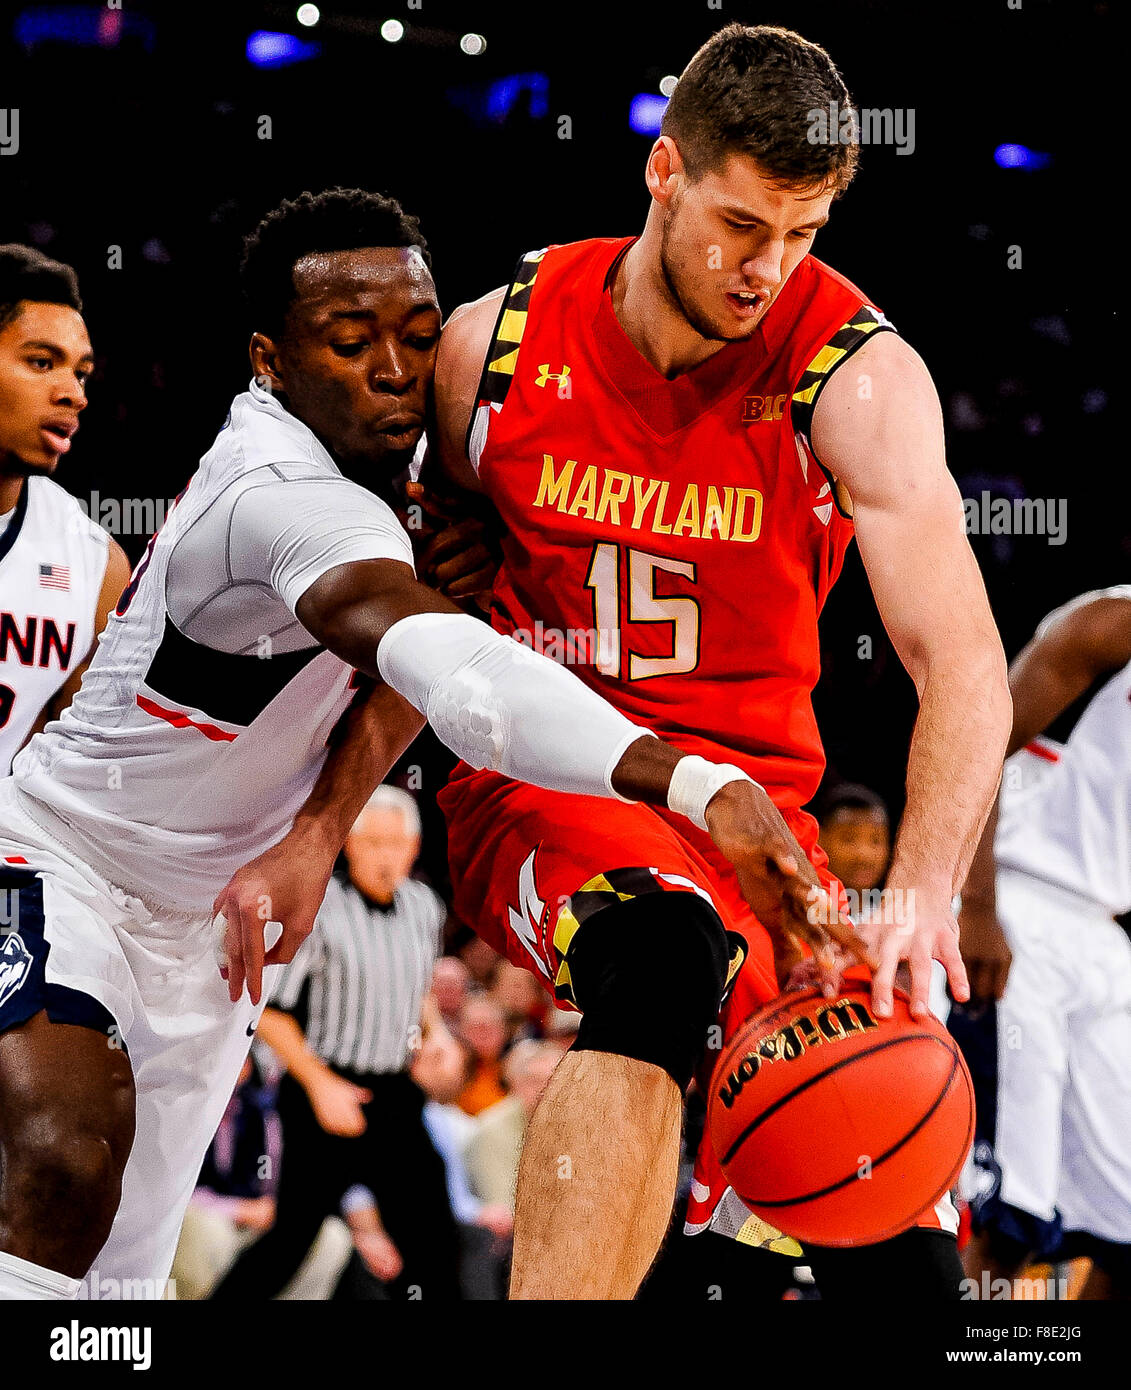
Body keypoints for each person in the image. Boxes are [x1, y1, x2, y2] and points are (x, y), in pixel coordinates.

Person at [0, 188, 855, 1300]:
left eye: (416, 333)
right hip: (70, 866)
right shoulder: (279, 492)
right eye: (351, 344)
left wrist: (316, 831)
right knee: (59, 1164)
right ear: (271, 359)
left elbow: (401, 675)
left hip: (214, 925)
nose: (397, 369)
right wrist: (698, 782)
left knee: (116, 1288)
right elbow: (459, 675)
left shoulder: (412, 482)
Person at [424, 24, 1010, 1297]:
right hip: (555, 782)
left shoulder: (855, 376)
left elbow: (963, 661)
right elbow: (402, 608)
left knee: (885, 1174)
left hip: (760, 823)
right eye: (745, 224)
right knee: (662, 954)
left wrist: (918, 894)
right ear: (664, 171)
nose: (769, 270)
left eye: (804, 233)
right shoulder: (497, 344)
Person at [211, 784, 460, 1300]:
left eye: (396, 844)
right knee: (291, 1240)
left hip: (393, 1093)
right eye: (372, 843)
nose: (385, 856)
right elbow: (274, 1016)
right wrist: (322, 1086)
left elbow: (416, 988)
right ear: (348, 844)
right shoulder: (319, 910)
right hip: (321, 1086)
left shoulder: (425, 907)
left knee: (434, 1238)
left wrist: (436, 1035)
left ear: (414, 848)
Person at [957, 586, 1131, 1299]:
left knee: (1123, 1220)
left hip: (1103, 934)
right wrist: (977, 904)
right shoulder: (1110, 622)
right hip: (1017, 909)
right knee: (1011, 1211)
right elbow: (975, 736)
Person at [0, 245, 130, 774]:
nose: (73, 393)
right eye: (41, 362)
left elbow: (56, 773)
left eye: (81, 373)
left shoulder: (95, 564)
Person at [816, 783, 892, 904]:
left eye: (875, 841)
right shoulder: (806, 914)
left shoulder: (896, 917)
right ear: (820, 840)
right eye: (849, 839)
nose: (863, 855)